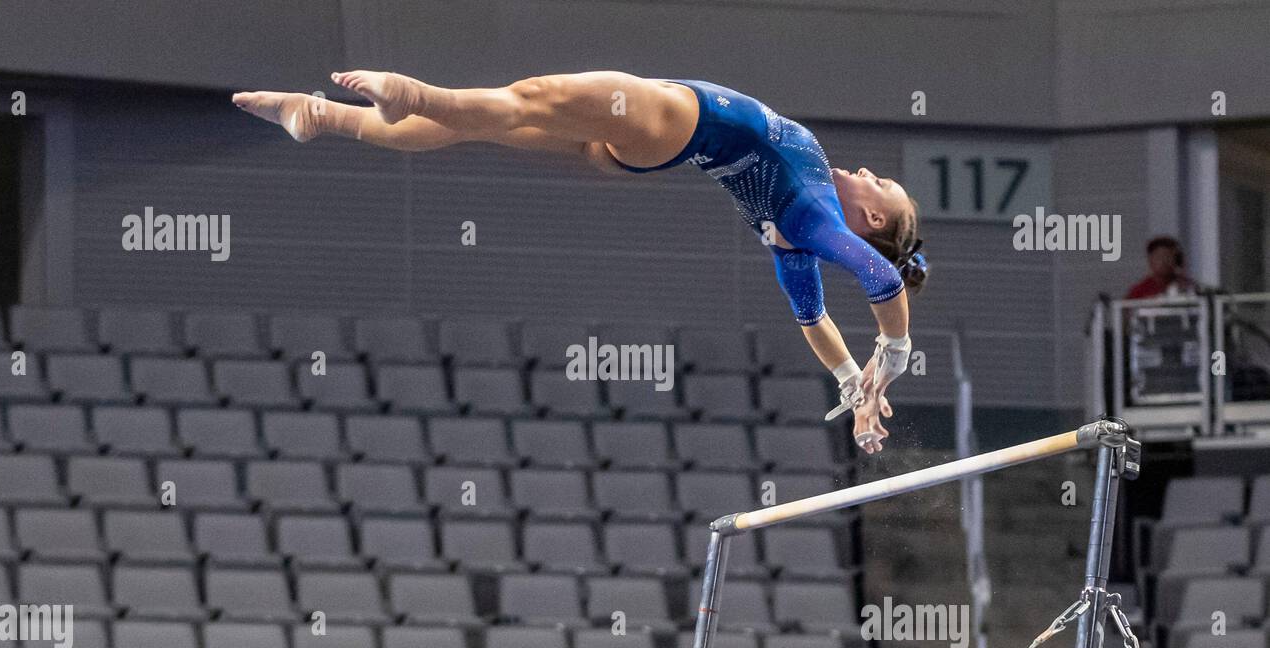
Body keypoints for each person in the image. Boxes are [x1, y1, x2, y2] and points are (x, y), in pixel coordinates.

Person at [233, 71, 929, 452]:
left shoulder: (812, 217)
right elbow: (813, 318)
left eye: (882, 183)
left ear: (873, 217)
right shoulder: (799, 238)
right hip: (662, 141)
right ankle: (320, 116)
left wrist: (889, 357)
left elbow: (881, 279)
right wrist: (850, 381)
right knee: (495, 124)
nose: (869, 170)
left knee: (531, 99)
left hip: (675, 118)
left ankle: (417, 94)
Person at [1126, 236, 1195, 300]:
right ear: (1150, 260)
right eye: (1159, 257)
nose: (1164, 261)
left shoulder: (1188, 286)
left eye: (1168, 257)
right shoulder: (1139, 291)